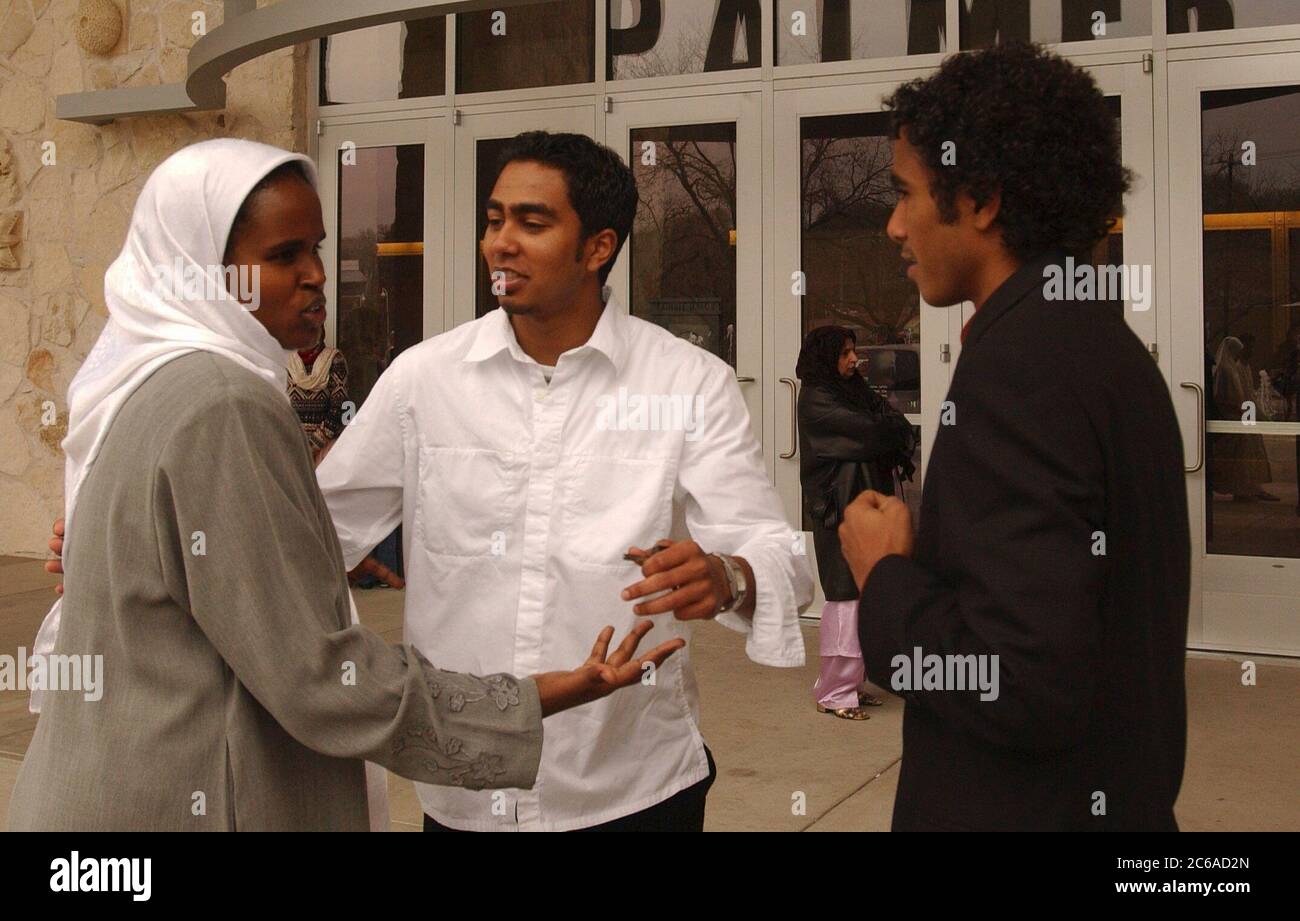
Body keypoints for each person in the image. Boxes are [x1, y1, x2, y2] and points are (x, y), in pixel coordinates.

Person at [16, 139, 680, 832]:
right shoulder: (225, 403)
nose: (315, 277)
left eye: (316, 250)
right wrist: (536, 696)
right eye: (282, 257)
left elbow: (262, 550)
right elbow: (319, 679)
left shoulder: (147, 378)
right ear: (200, 271)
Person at [316, 131, 813, 831]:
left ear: (598, 247)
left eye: (532, 222)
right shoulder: (423, 381)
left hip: (631, 786)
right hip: (466, 789)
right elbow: (313, 536)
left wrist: (729, 575)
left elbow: (782, 560)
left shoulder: (687, 384)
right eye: (494, 220)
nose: (501, 243)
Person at [836, 42, 1191, 831]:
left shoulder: (1021, 368)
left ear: (983, 199)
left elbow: (1015, 680)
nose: (893, 226)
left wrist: (885, 577)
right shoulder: (1100, 344)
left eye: (905, 194)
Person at [796, 326, 913, 720]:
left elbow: (890, 422)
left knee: (862, 596)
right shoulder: (817, 399)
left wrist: (888, 429)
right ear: (826, 357)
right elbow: (874, 431)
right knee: (844, 597)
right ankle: (835, 692)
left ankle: (852, 685)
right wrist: (888, 430)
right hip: (837, 510)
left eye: (854, 351)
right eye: (845, 353)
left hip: (862, 506)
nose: (854, 359)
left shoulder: (853, 391)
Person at [1210, 336, 1276, 502]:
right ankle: (1243, 488)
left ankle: (1249, 487)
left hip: (1241, 415)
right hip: (1235, 416)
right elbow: (1225, 396)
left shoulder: (1234, 368)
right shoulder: (1227, 369)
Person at [287, 326, 350, 465]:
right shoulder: (287, 360)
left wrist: (311, 447)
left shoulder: (335, 359)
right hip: (291, 446)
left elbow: (339, 409)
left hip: (325, 448)